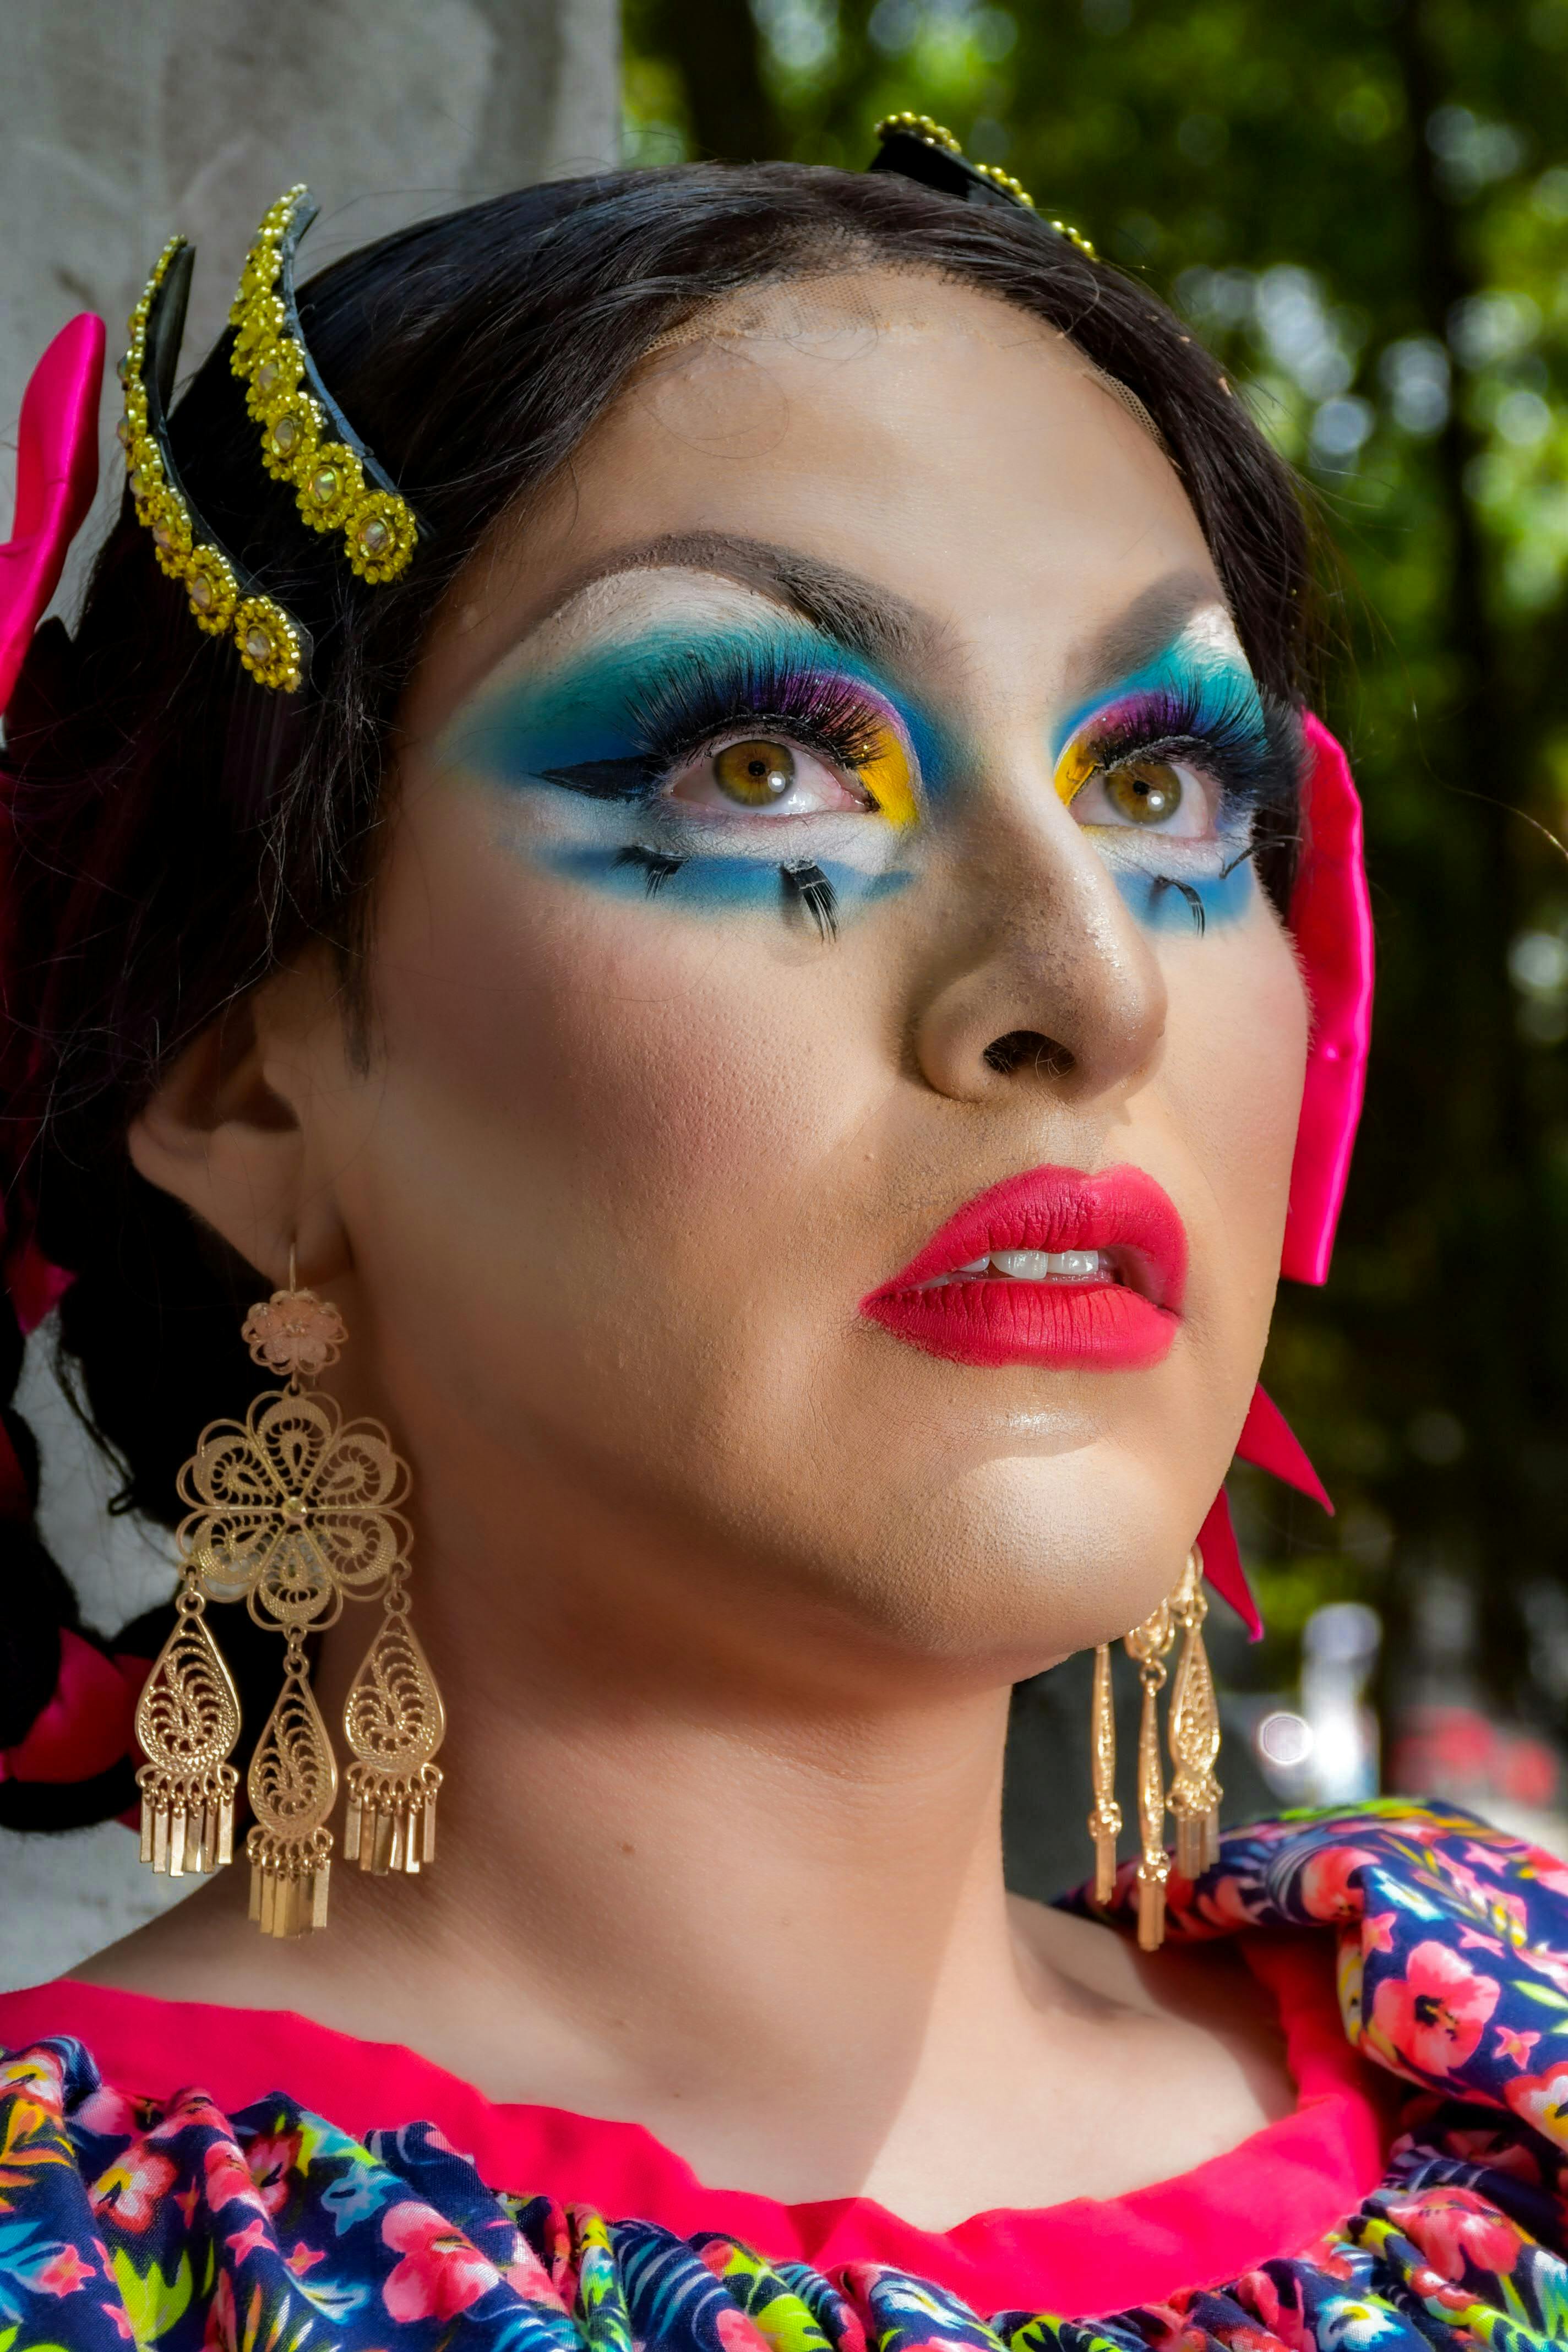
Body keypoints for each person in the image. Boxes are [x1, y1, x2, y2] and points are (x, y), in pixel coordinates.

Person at [0, 127, 1560, 2351]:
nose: (1092, 982)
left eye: (1159, 787)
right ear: (247, 1083)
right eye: (756, 767)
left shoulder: (1510, 2080)